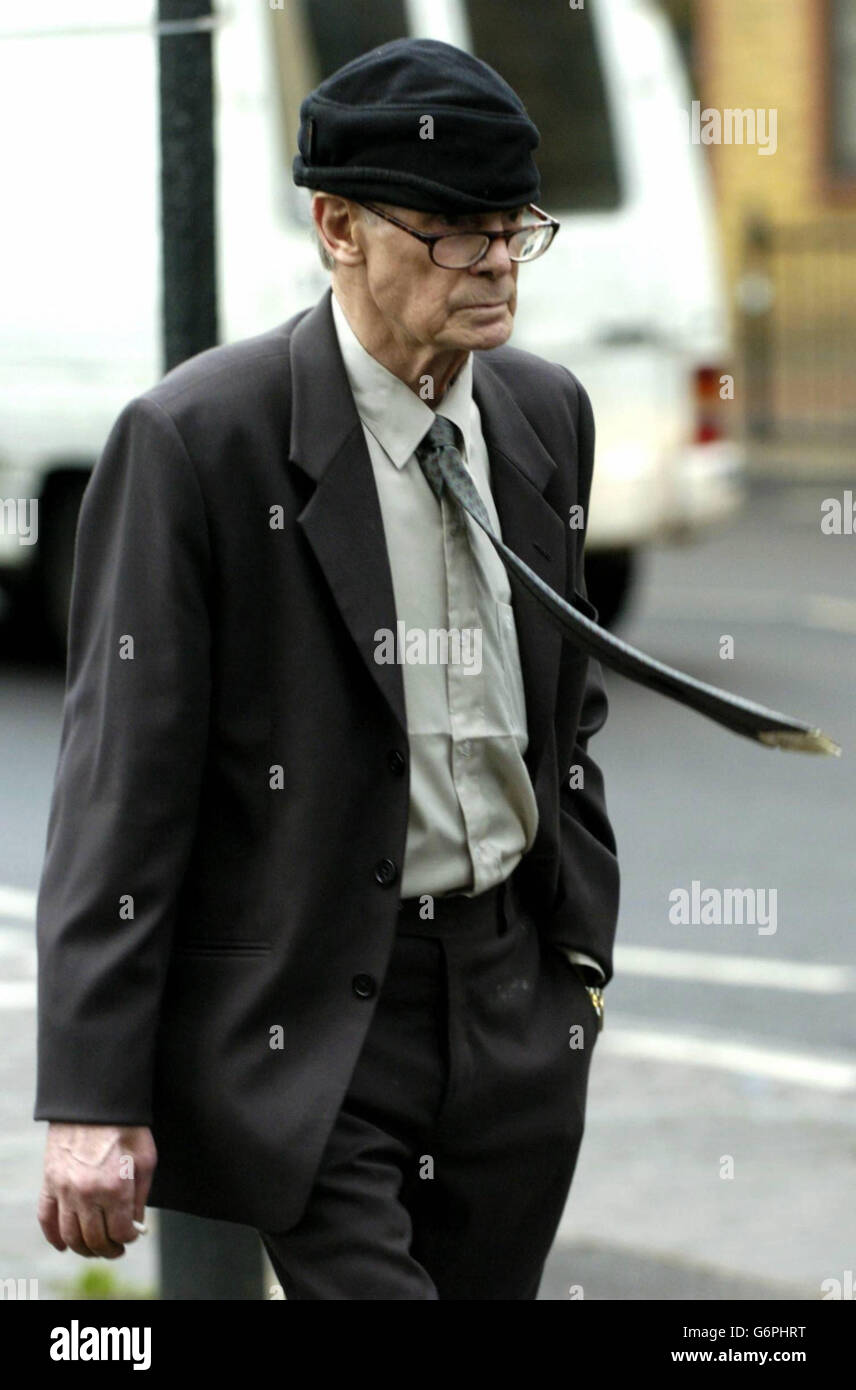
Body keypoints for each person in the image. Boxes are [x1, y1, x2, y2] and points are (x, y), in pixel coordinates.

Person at [34, 37, 620, 1300]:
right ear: (337, 225)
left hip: (513, 1009)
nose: (498, 263)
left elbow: (569, 708)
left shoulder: (545, 412)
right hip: (319, 1022)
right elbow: (119, 782)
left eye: (514, 227)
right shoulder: (198, 443)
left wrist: (578, 962)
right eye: (455, 232)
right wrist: (91, 1092)